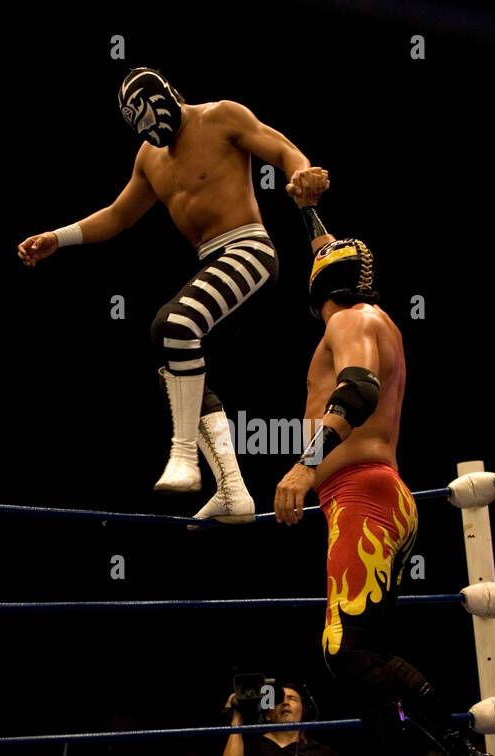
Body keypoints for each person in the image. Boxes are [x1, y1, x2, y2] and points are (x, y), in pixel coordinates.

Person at [271, 194, 495, 756]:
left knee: (342, 647)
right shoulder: (372, 315)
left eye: (319, 255)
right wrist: (304, 208)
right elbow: (330, 249)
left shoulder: (350, 320)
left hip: (362, 497)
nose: (313, 254)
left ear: (326, 277)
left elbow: (359, 388)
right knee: (366, 651)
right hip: (379, 496)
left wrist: (302, 464)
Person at [17, 67, 328, 520]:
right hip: (212, 261)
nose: (151, 130)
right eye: (140, 124)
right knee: (174, 361)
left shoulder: (220, 116)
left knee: (174, 323)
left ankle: (183, 453)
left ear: (168, 97)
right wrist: (57, 237)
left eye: (153, 116)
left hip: (250, 250)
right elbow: (119, 215)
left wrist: (301, 174)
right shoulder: (149, 158)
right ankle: (232, 491)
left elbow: (281, 148)